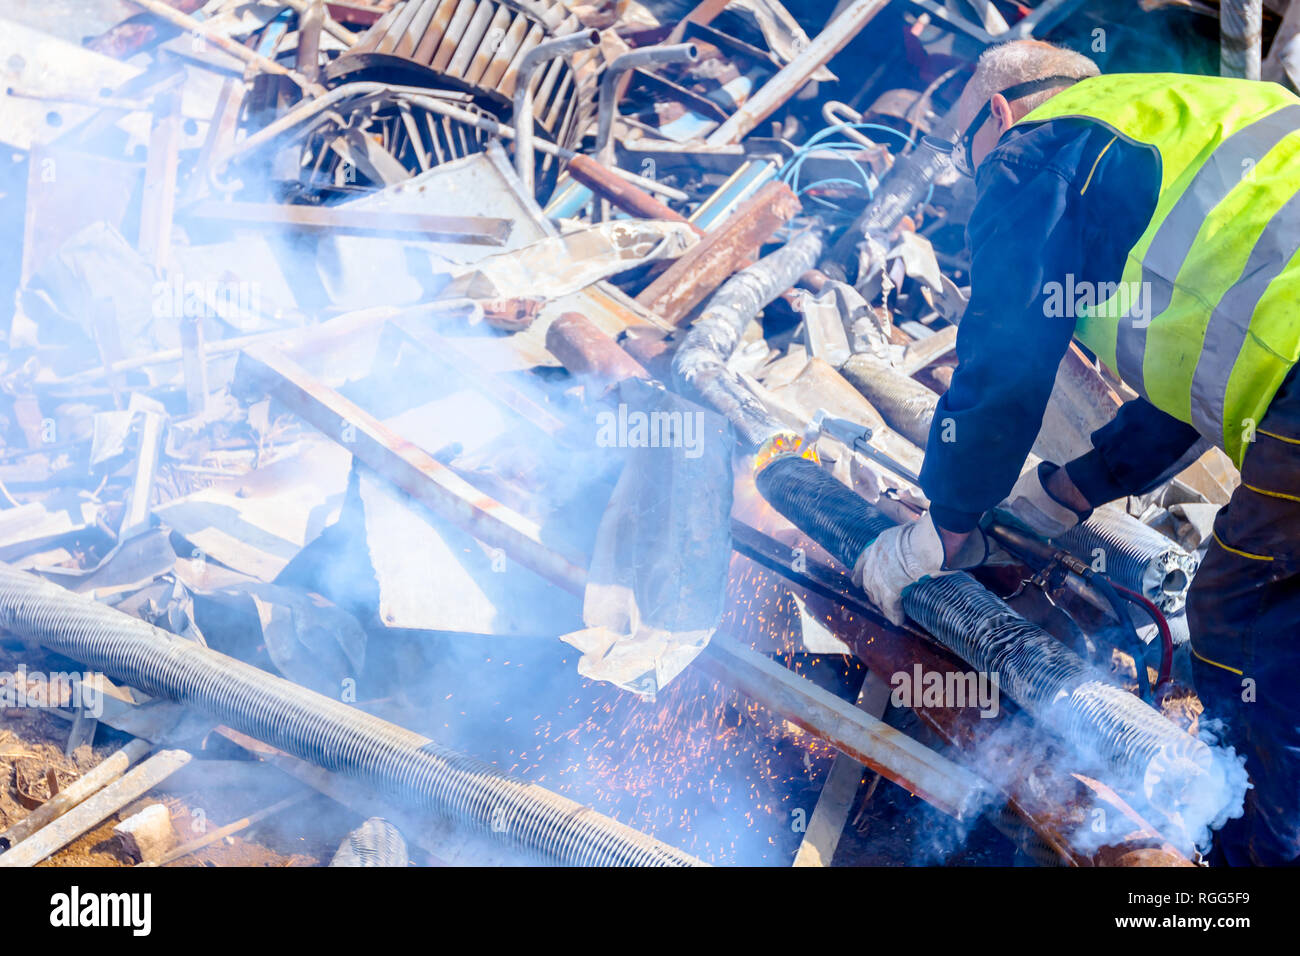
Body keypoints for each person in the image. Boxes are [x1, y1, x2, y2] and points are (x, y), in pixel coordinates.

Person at [855, 39, 1300, 865]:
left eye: (967, 155)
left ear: (997, 114)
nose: (977, 175)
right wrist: (1068, 490)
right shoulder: (1174, 120)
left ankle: (1251, 861)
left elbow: (1008, 352)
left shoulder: (1040, 146)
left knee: (1247, 620)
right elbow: (1199, 375)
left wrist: (945, 526)